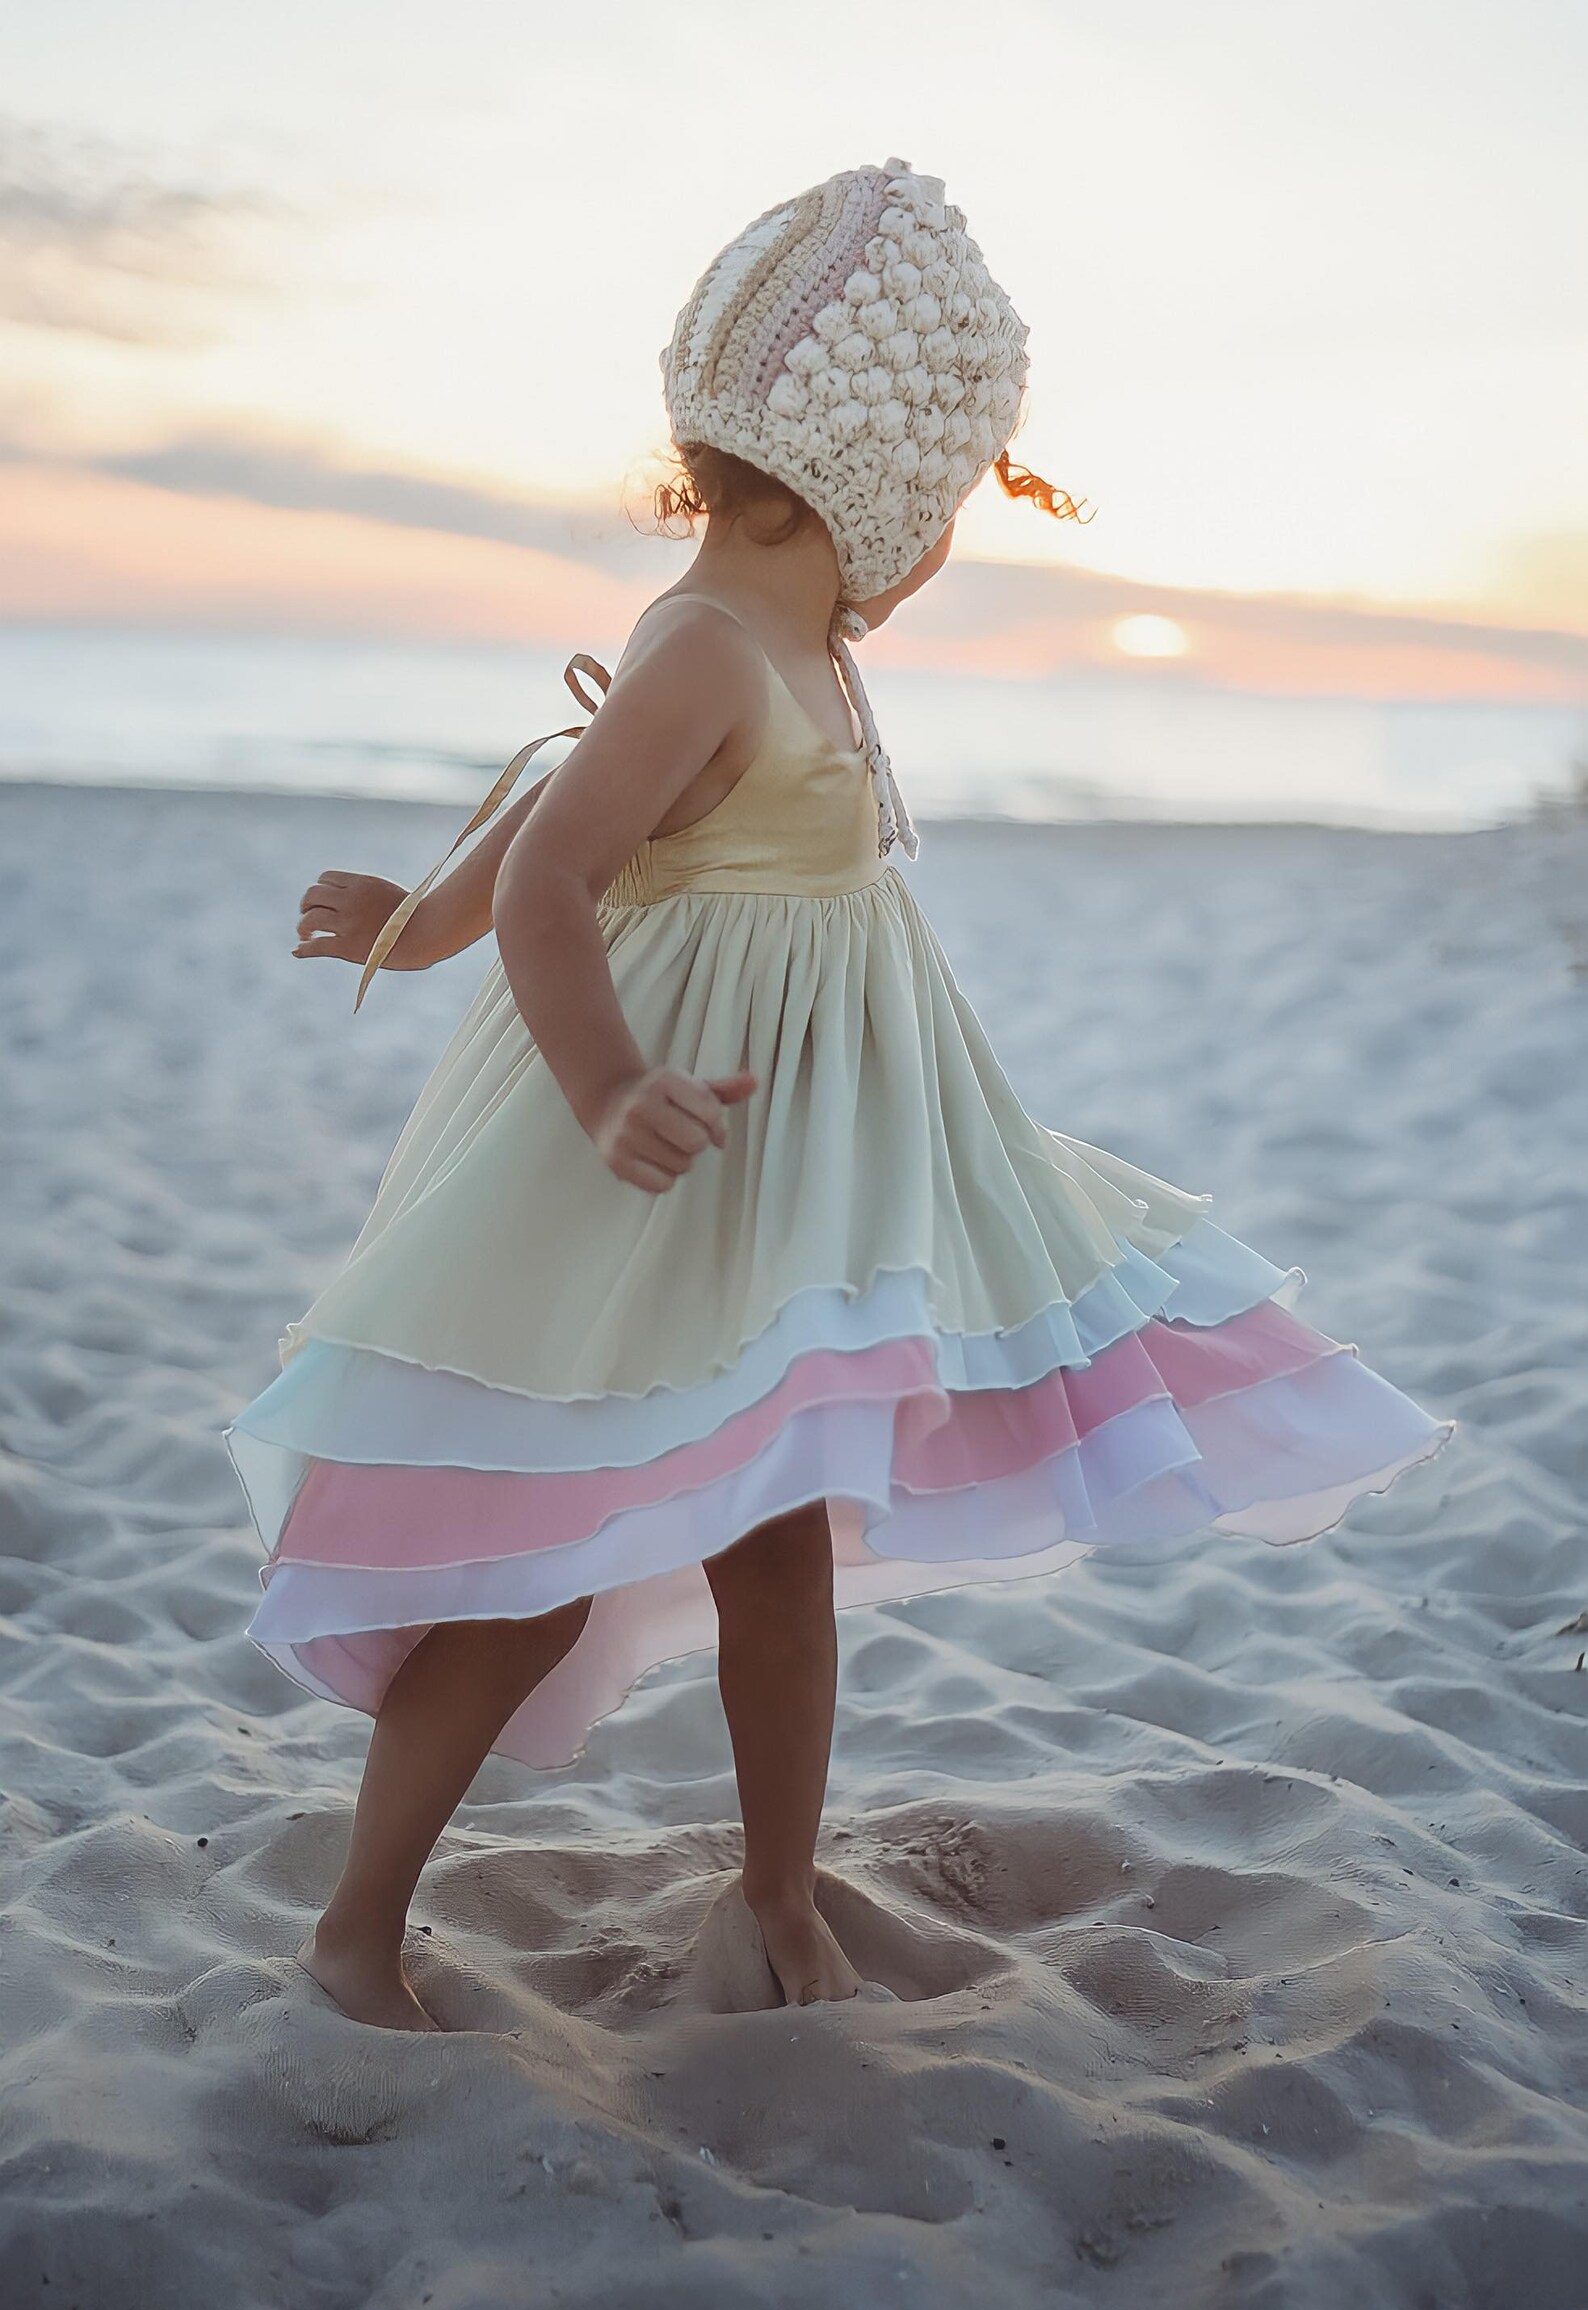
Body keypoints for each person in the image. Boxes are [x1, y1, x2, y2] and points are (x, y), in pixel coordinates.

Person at [223, 157, 1454, 2031]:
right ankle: (355, 1927)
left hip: (799, 1165)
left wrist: (411, 917)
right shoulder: (706, 643)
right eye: (952, 492)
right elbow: (563, 867)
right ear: (870, 476)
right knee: (532, 1565)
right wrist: (580, 1056)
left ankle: (783, 1889)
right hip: (650, 1154)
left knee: (778, 1537)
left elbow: (570, 814)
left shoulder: (811, 639)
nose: (950, 531)